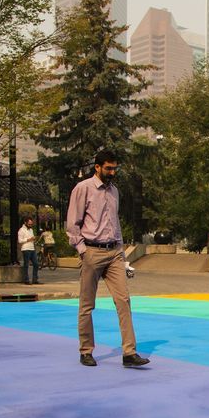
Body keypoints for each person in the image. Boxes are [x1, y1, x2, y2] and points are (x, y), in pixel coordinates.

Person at [66, 149, 149, 368]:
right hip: (91, 252)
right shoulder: (82, 189)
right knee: (87, 304)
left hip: (114, 253)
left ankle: (129, 353)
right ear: (97, 167)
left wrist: (122, 256)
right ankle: (86, 350)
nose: (112, 172)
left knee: (124, 300)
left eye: (115, 168)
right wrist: (83, 250)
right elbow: (72, 224)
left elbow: (115, 224)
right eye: (108, 168)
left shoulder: (115, 192)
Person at [17, 216, 39, 284]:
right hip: (26, 249)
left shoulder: (31, 230)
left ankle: (35, 279)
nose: (30, 225)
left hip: (32, 248)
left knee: (36, 264)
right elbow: (20, 241)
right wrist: (28, 239)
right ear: (25, 222)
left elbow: (32, 238)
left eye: (31, 224)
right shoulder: (21, 230)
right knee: (26, 264)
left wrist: (34, 239)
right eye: (29, 224)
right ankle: (26, 279)